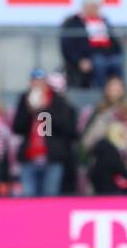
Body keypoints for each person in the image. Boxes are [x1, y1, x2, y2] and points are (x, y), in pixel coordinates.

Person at [11, 68, 78, 197]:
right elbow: (17, 127)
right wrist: (30, 111)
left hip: (52, 159)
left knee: (49, 198)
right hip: (29, 158)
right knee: (27, 198)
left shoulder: (57, 100)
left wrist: (46, 109)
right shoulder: (25, 99)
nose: (36, 84)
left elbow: (64, 129)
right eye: (34, 81)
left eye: (40, 81)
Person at [60, 0, 123, 88]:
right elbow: (68, 46)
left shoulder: (104, 21)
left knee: (117, 61)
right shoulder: (75, 23)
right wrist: (79, 60)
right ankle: (102, 90)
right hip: (89, 56)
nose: (94, 9)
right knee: (99, 62)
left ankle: (118, 89)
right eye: (92, 6)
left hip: (107, 54)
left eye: (96, 7)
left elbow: (114, 41)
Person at [87, 120, 127, 194]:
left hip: (97, 184)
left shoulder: (102, 147)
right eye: (122, 134)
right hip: (108, 187)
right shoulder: (112, 150)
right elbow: (120, 168)